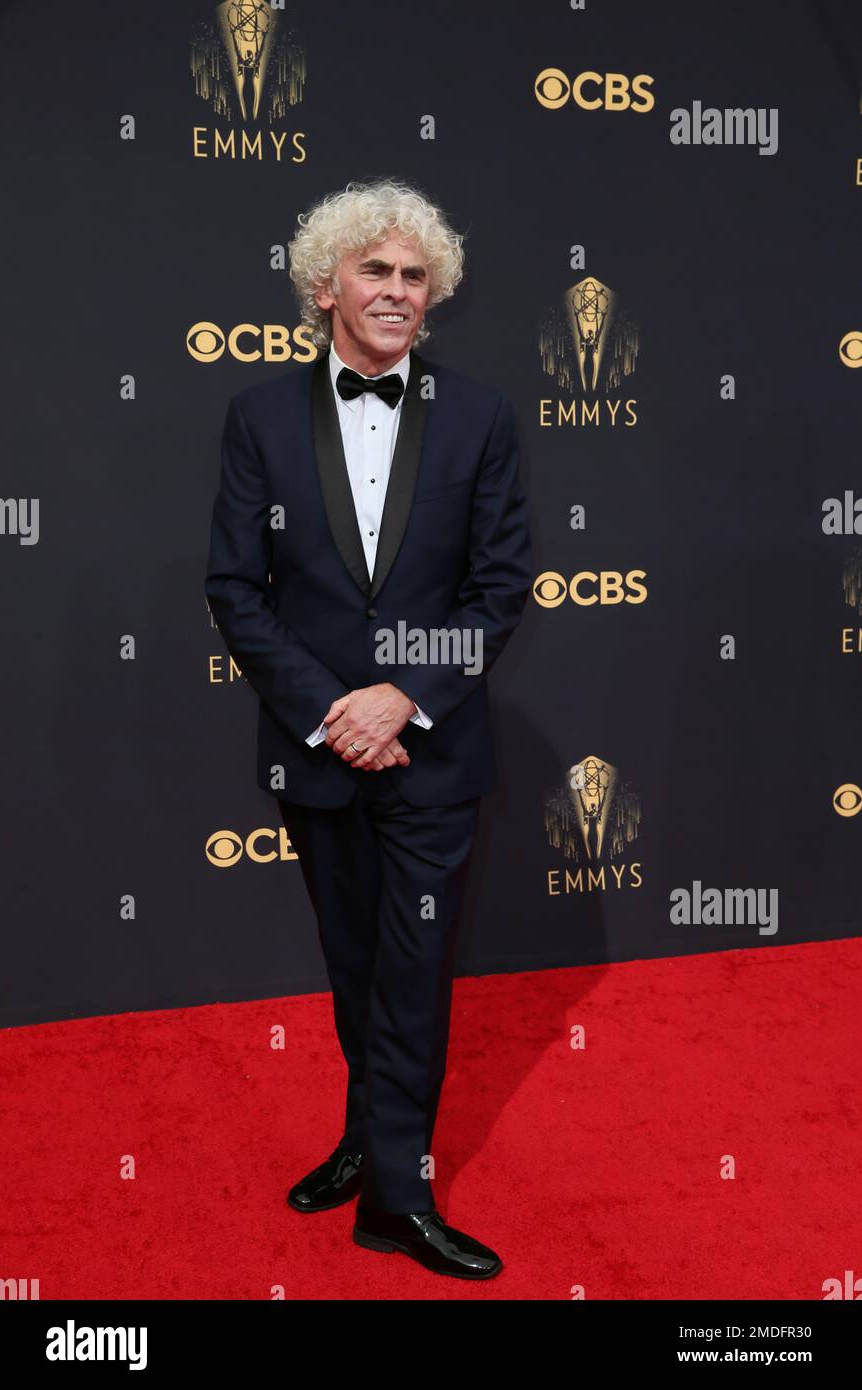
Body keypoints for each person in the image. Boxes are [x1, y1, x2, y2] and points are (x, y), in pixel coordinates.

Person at [205, 177, 531, 1279]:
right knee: (353, 964)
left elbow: (496, 587)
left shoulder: (480, 415)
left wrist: (402, 695)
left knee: (412, 968)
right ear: (323, 286)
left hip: (431, 752)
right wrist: (328, 714)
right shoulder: (256, 416)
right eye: (374, 271)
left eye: (413, 276)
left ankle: (398, 1193)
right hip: (315, 752)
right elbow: (235, 588)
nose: (396, 291)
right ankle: (368, 1140)